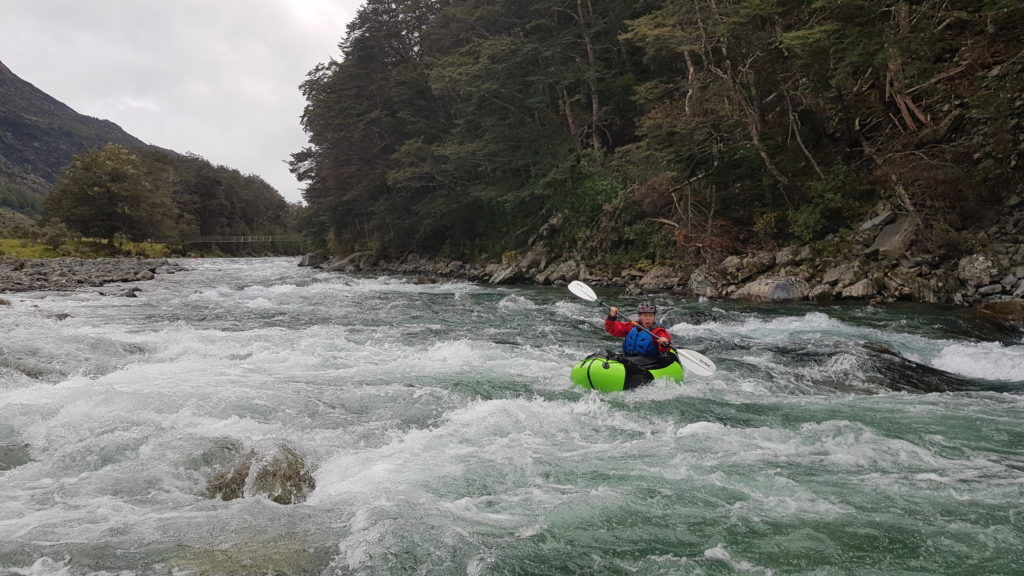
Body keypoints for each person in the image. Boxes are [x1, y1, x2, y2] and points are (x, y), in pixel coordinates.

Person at [604, 301, 672, 359]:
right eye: (645, 315)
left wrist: (664, 342)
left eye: (651, 315)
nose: (648, 318)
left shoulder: (658, 331)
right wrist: (611, 316)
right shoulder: (631, 326)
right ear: (639, 316)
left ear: (654, 317)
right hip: (629, 358)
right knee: (604, 353)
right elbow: (611, 329)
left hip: (649, 362)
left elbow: (665, 345)